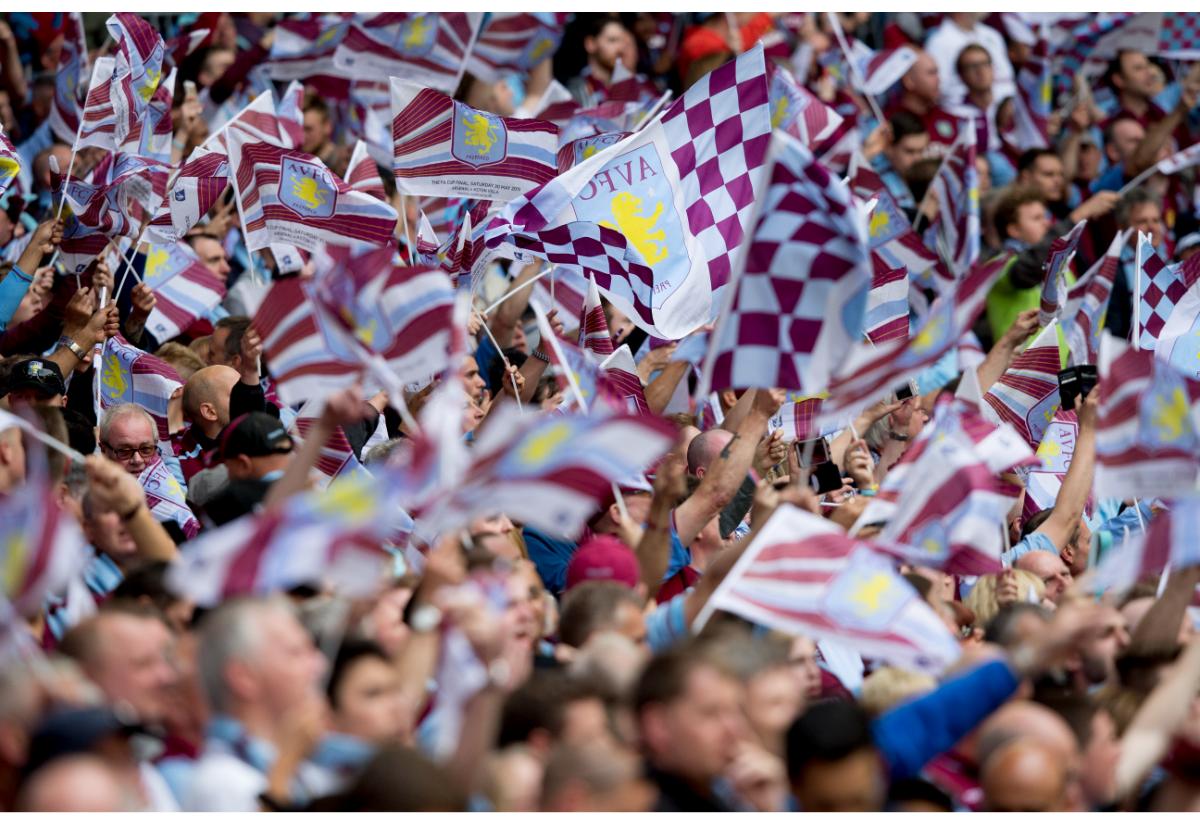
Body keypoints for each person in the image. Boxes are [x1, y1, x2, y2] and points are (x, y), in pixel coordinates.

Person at [184, 596, 329, 811]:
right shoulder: (222, 783)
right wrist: (283, 768)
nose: (320, 665)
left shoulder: (306, 768)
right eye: (296, 652)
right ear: (244, 678)